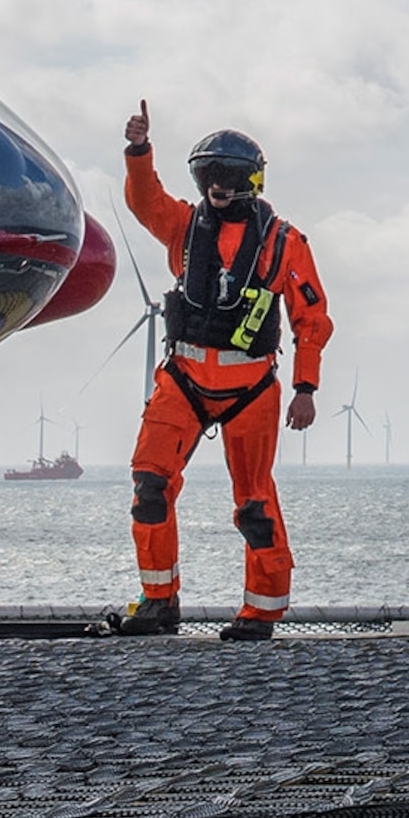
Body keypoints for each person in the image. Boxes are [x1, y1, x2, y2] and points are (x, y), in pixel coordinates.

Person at [113, 103, 331, 640]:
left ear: (247, 182)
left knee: (255, 504)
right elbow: (145, 203)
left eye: (225, 176)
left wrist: (306, 386)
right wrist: (139, 153)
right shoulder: (184, 226)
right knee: (150, 487)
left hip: (252, 386)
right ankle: (159, 601)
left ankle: (262, 610)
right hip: (183, 378)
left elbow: (312, 319)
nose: (215, 186)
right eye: (207, 175)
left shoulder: (285, 242)